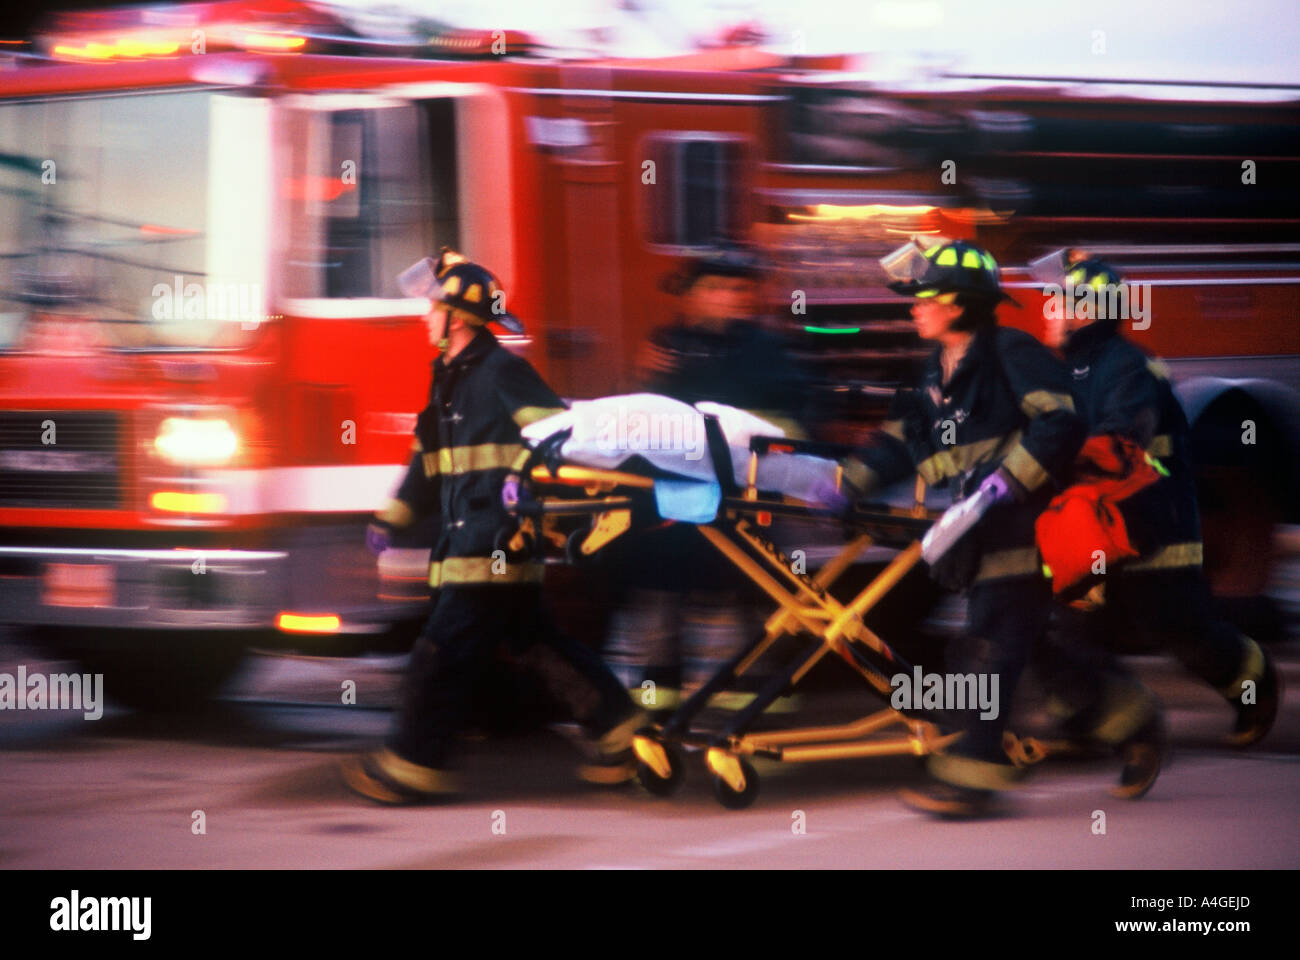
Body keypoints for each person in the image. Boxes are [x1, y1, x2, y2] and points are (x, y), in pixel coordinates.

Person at [341, 250, 642, 803]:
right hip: (468, 541)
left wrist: (526, 485)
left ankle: (412, 765)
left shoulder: (504, 371)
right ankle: (624, 735)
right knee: (536, 644)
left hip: (498, 541)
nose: (425, 315)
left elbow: (559, 439)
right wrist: (393, 516)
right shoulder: (447, 380)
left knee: (442, 651)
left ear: (458, 316)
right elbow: (427, 463)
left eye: (433, 305)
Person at [838, 237, 1090, 818]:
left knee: (992, 646)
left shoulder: (1010, 352)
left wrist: (1008, 481)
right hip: (976, 527)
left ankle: (972, 773)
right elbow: (907, 437)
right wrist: (845, 481)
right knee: (1027, 642)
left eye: (922, 298)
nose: (913, 308)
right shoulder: (936, 368)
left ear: (955, 303)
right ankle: (1119, 715)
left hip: (1025, 523)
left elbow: (1060, 418)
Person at [1037, 252, 1280, 749]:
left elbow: (1119, 442)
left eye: (1056, 302)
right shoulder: (1067, 371)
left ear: (1084, 310)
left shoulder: (1130, 368)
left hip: (1154, 528)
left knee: (1179, 631)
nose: (1047, 311)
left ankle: (1253, 685)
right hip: (1096, 529)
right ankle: (1097, 723)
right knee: (1074, 626)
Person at [603, 244, 808, 713]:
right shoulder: (666, 345)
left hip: (744, 502)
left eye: (739, 288)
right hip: (674, 507)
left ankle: (753, 718)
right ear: (691, 297)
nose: (731, 297)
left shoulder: (767, 351)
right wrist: (642, 378)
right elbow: (637, 418)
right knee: (660, 604)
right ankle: (655, 715)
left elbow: (792, 424)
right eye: (717, 288)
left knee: (747, 605)